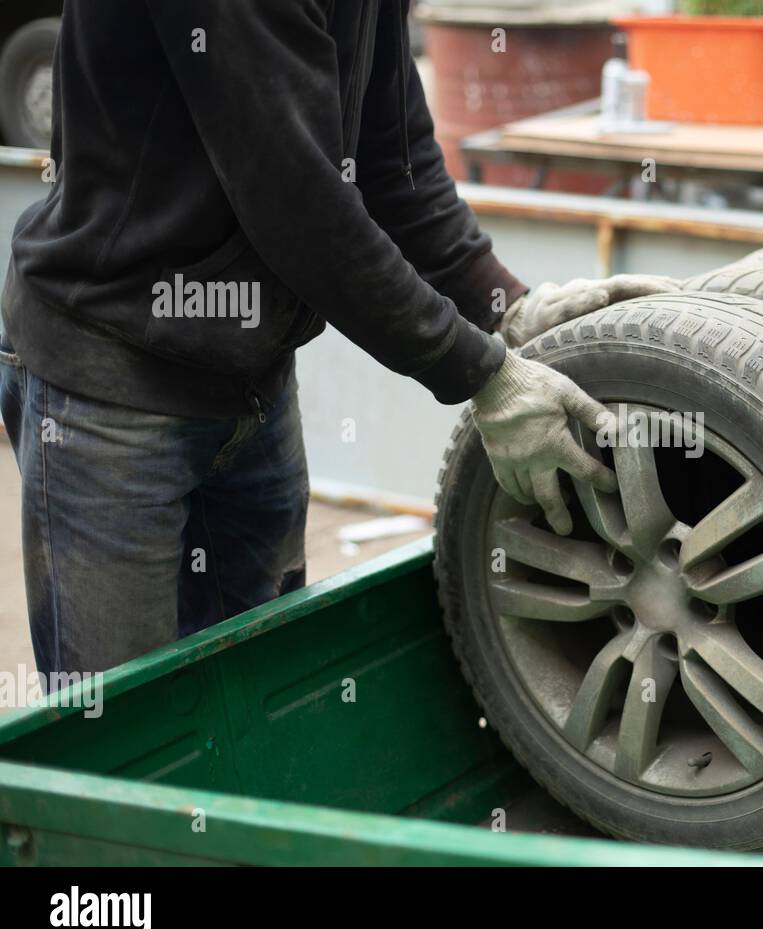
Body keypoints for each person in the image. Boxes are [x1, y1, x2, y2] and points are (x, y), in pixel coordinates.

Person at [0, 0, 675, 678]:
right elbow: (300, 205)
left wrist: (506, 306)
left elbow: (394, 161)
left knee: (260, 693)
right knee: (120, 727)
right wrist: (484, 376)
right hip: (110, 384)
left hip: (250, 384)